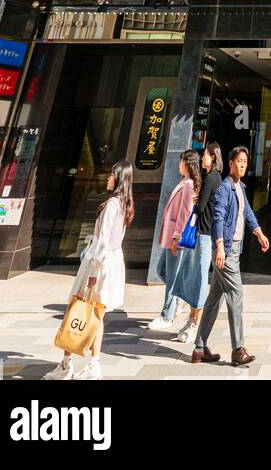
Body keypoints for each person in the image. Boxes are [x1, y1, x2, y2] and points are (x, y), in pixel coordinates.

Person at [43, 160, 134, 381]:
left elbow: (102, 241)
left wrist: (93, 274)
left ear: (120, 178)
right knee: (96, 316)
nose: (108, 178)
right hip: (110, 263)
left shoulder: (112, 204)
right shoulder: (125, 204)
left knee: (76, 308)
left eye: (112, 175)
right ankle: (93, 365)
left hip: (99, 265)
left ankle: (66, 365)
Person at [192, 145, 270, 367]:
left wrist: (259, 233)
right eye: (239, 161)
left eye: (246, 161)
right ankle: (238, 349)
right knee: (236, 293)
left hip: (232, 249)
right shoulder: (224, 188)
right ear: (231, 163)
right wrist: (219, 247)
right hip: (226, 251)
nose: (243, 164)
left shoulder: (239, 187)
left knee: (214, 299)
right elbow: (217, 218)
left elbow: (247, 213)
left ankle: (199, 347)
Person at [171, 142, 223, 346]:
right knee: (194, 276)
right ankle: (192, 319)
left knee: (198, 278)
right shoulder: (216, 178)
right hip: (205, 233)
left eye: (206, 155)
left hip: (203, 232)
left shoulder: (211, 179)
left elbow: (200, 207)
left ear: (213, 158)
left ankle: (195, 322)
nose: (203, 158)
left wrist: (194, 201)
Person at [149, 150, 200, 332]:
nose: (179, 165)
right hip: (172, 235)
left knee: (171, 276)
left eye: (181, 161)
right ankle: (179, 299)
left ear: (188, 163)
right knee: (162, 270)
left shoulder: (188, 185)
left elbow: (185, 213)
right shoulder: (184, 182)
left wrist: (177, 237)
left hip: (175, 238)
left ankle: (167, 316)